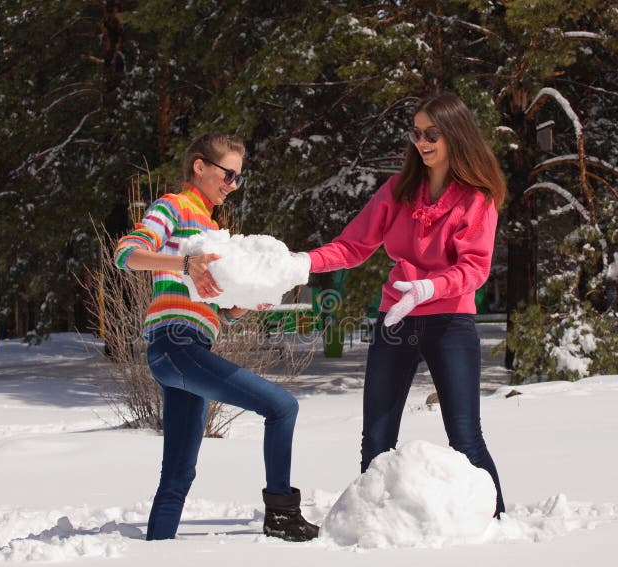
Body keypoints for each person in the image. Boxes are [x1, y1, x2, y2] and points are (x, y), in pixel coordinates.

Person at [297, 92, 506, 517]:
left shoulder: (476, 198)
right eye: (416, 133)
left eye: (432, 134)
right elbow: (353, 246)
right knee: (376, 437)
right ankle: (364, 521)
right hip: (395, 319)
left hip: (450, 322)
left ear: (455, 135)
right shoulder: (399, 189)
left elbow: (475, 269)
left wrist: (428, 289)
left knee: (465, 437)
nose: (422, 142)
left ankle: (496, 519)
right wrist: (301, 263)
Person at [113, 133, 319, 541]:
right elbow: (126, 252)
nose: (232, 185)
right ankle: (280, 513)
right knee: (281, 406)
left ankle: (156, 549)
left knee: (179, 471)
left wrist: (245, 303)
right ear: (200, 166)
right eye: (228, 174)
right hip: (174, 345)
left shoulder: (212, 229)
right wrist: (185, 262)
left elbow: (217, 314)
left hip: (192, 348)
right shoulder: (172, 207)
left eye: (238, 179)